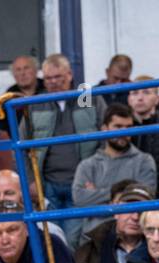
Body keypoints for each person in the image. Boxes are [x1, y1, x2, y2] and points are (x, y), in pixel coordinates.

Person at [17, 54, 104, 236]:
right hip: (47, 184)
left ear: (70, 74)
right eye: (49, 78)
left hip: (82, 182)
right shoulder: (36, 102)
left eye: (58, 77)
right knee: (51, 236)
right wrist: (30, 180)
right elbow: (20, 146)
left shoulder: (86, 95)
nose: (53, 82)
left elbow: (105, 136)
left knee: (75, 237)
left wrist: (97, 173)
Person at [71, 103, 157, 242]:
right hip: (93, 238)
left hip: (132, 236)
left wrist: (96, 194)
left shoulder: (144, 161)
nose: (124, 132)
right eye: (118, 126)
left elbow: (145, 197)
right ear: (104, 129)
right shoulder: (87, 165)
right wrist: (121, 194)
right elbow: (80, 199)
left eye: (128, 127)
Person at [126, 77, 159, 198]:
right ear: (129, 99)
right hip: (129, 197)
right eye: (135, 92)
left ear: (157, 99)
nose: (140, 98)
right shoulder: (122, 130)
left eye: (146, 92)